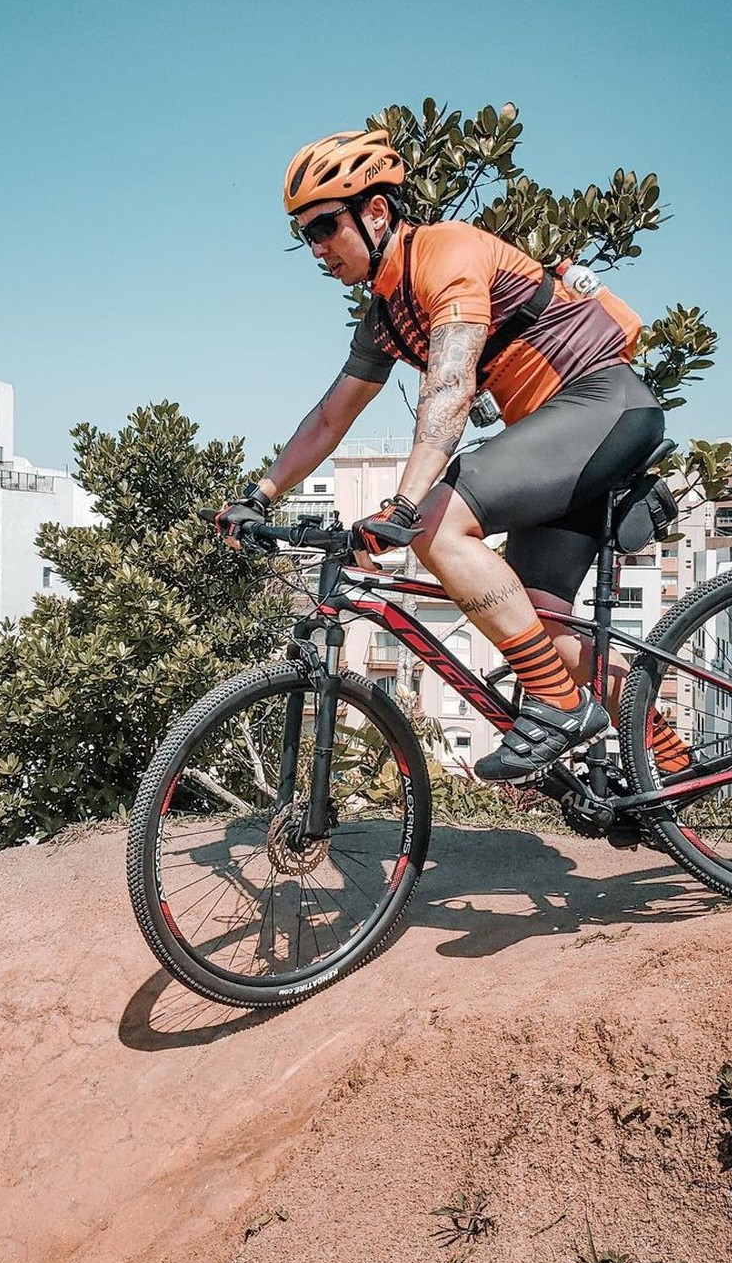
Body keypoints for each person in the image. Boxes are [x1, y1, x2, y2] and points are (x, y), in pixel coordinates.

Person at [215, 128, 684, 782]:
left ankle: (556, 705)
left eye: (325, 225)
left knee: (438, 525)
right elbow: (329, 419)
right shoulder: (384, 314)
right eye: (305, 235)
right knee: (540, 629)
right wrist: (259, 495)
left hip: (602, 405)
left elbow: (451, 386)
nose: (317, 248)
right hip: (558, 439)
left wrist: (408, 504)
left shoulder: (446, 252)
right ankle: (671, 767)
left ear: (375, 211)